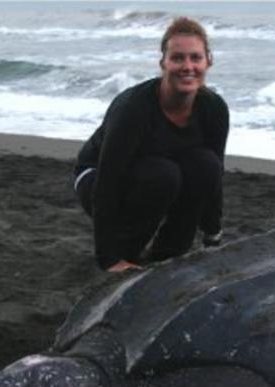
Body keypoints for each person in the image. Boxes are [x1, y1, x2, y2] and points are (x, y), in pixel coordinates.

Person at [73, 16, 229, 272]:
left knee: (205, 164)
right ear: (163, 63)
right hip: (96, 176)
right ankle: (128, 254)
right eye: (178, 58)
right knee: (163, 175)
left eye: (195, 58)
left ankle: (168, 255)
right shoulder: (133, 108)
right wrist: (108, 258)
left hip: (158, 174)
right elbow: (107, 183)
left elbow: (214, 175)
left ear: (208, 62)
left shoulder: (214, 108)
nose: (187, 66)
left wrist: (213, 236)